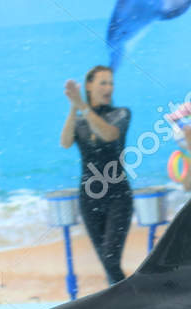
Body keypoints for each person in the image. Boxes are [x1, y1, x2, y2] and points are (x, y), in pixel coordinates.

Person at [60, 65, 132, 285]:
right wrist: (74, 107)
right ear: (89, 86)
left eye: (111, 83)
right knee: (107, 263)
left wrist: (82, 105)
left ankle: (131, 299)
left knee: (110, 259)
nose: (109, 87)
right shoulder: (80, 120)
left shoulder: (121, 114)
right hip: (89, 198)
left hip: (118, 196)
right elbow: (65, 142)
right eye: (103, 83)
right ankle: (122, 302)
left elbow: (109, 134)